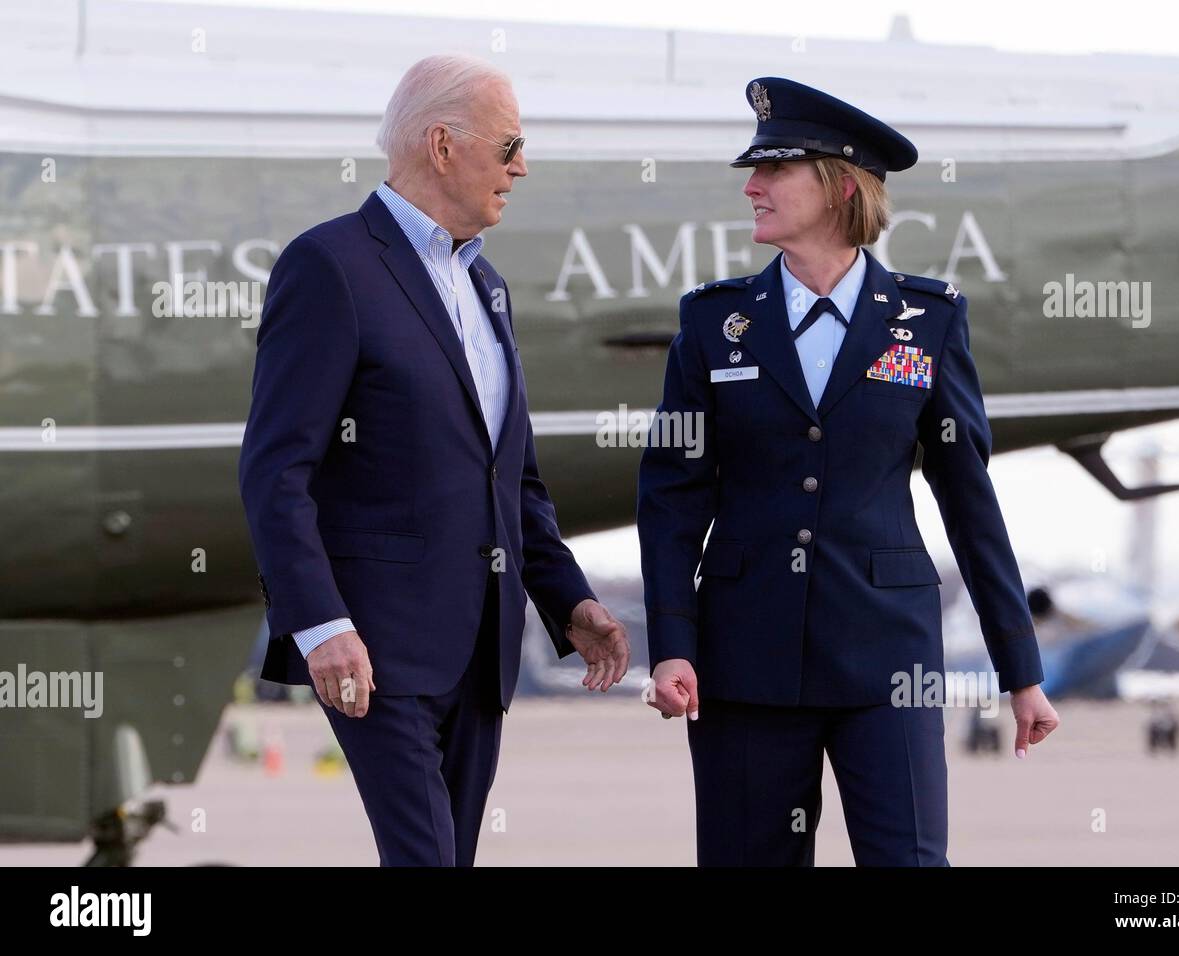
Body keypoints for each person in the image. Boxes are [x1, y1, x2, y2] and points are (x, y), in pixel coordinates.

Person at [637, 76, 1059, 866]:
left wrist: (1020, 670)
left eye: (775, 170)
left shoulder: (929, 321)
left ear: (837, 185)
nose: (752, 186)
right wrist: (670, 646)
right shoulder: (712, 322)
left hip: (887, 669)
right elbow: (671, 498)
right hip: (744, 664)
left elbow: (968, 499)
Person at [238, 54, 630, 867]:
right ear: (443, 144)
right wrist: (321, 625)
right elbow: (277, 470)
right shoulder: (331, 267)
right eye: (510, 144)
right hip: (374, 648)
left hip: (480, 648)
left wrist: (569, 602)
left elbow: (509, 478)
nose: (522, 166)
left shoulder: (487, 286)